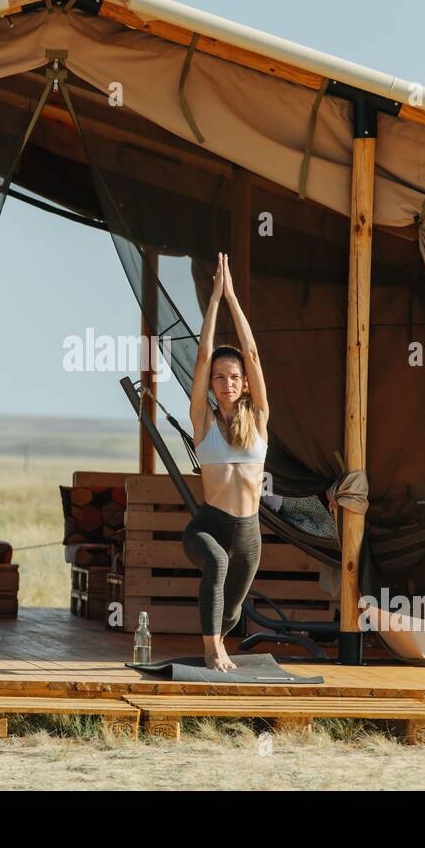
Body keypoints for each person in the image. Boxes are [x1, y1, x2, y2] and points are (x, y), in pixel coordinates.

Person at [182, 252, 269, 671]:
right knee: (214, 563)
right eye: (220, 378)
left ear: (244, 383)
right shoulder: (202, 420)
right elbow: (202, 356)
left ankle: (219, 636)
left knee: (231, 613)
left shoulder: (261, 419)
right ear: (212, 385)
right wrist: (213, 300)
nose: (227, 382)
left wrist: (234, 298)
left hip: (249, 535)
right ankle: (211, 650)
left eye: (234, 377)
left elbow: (251, 352)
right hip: (210, 524)